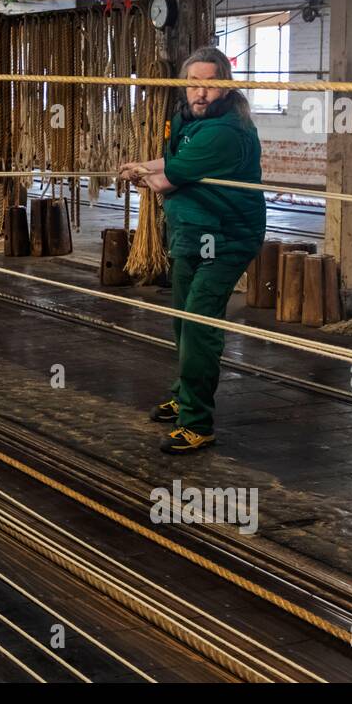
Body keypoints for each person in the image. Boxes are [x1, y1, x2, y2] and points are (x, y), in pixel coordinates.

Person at [120, 47, 266, 454]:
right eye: (193, 83)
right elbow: (171, 161)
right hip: (190, 234)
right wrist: (142, 166)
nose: (200, 93)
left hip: (225, 239)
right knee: (183, 322)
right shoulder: (188, 119)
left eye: (210, 84)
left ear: (226, 86)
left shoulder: (225, 131)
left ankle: (197, 422)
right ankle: (183, 395)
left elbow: (169, 178)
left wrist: (143, 173)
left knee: (200, 325)